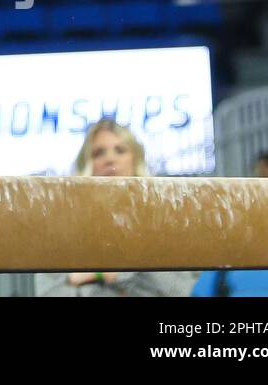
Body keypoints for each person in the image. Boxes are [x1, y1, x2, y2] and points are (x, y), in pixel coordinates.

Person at [34, 118, 199, 298]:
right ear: (87, 163)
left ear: (135, 159)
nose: (110, 159)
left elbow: (179, 290)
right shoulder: (66, 227)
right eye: (98, 153)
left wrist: (105, 274)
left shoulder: (163, 218)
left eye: (120, 150)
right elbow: (50, 292)